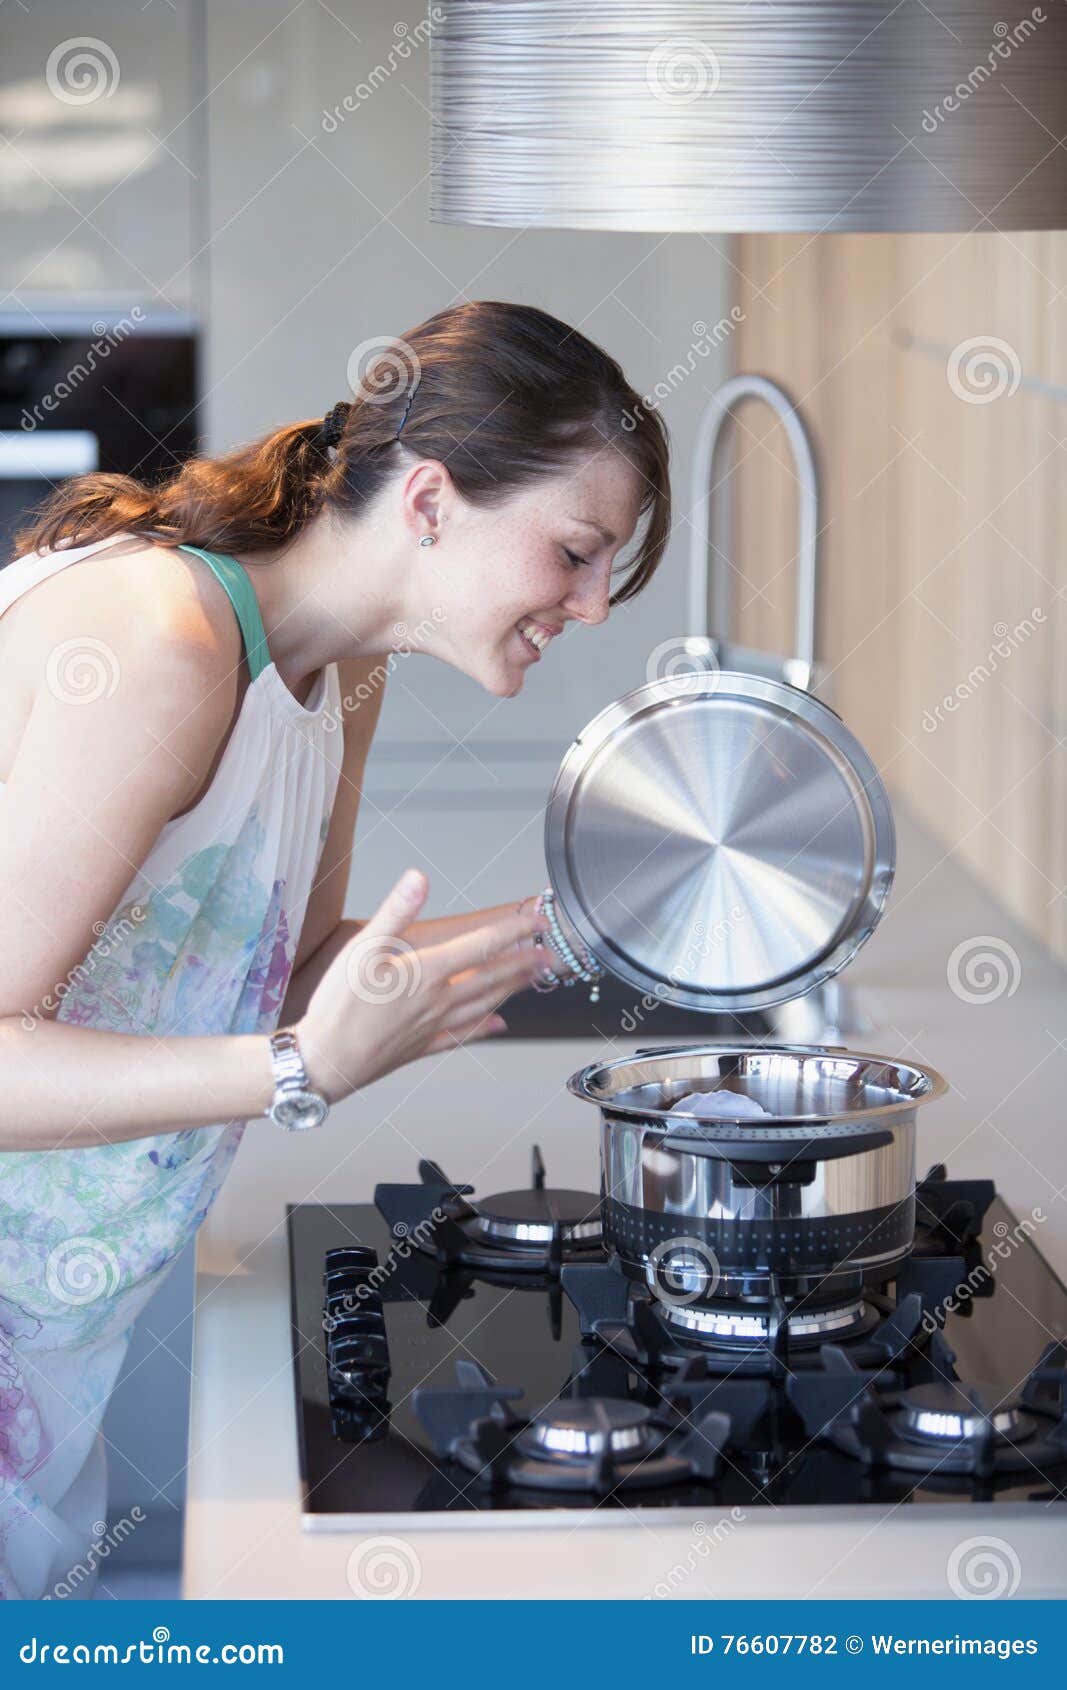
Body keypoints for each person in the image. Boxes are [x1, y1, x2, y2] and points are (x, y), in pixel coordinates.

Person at [0, 298, 671, 1597]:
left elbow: (286, 971)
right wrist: (299, 1069)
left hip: (47, 1344)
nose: (591, 605)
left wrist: (581, 923)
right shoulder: (161, 643)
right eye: (577, 552)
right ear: (429, 500)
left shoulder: (334, 674)